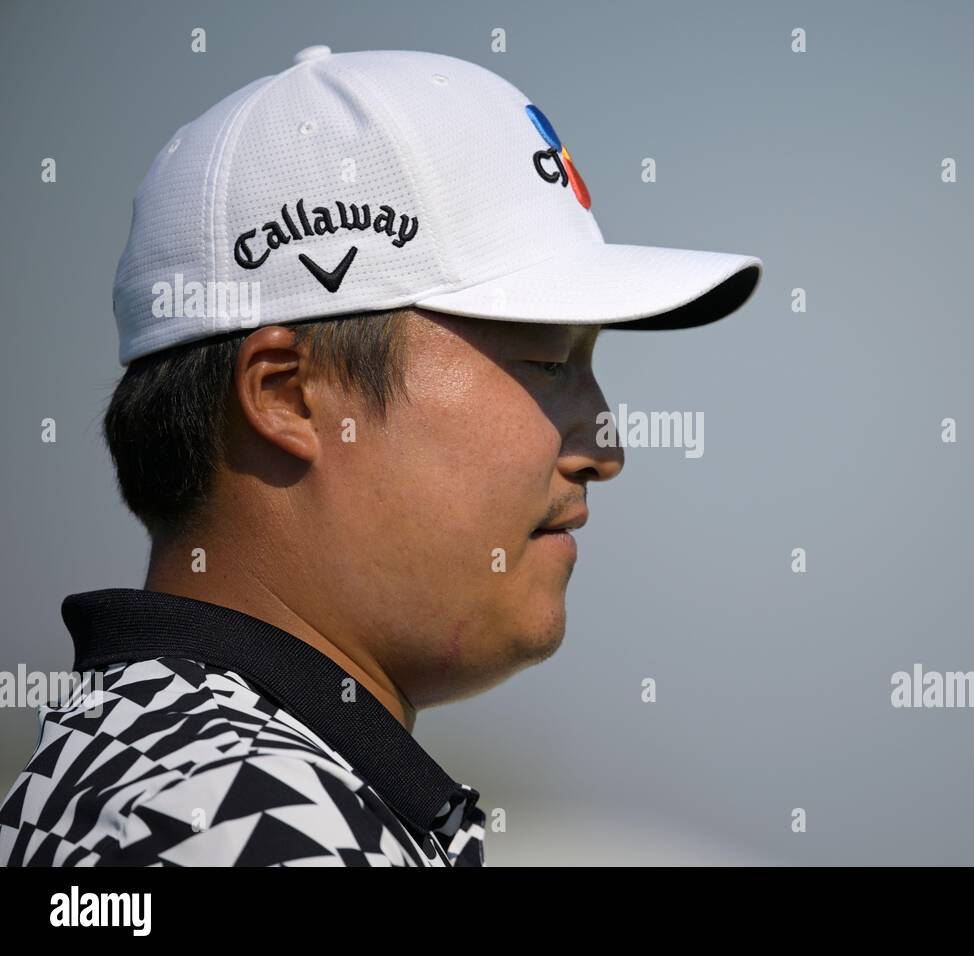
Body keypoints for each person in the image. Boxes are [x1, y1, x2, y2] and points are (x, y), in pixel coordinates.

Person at [0, 45, 761, 866]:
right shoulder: (246, 827)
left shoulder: (149, 780)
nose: (605, 446)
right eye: (547, 362)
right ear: (288, 394)